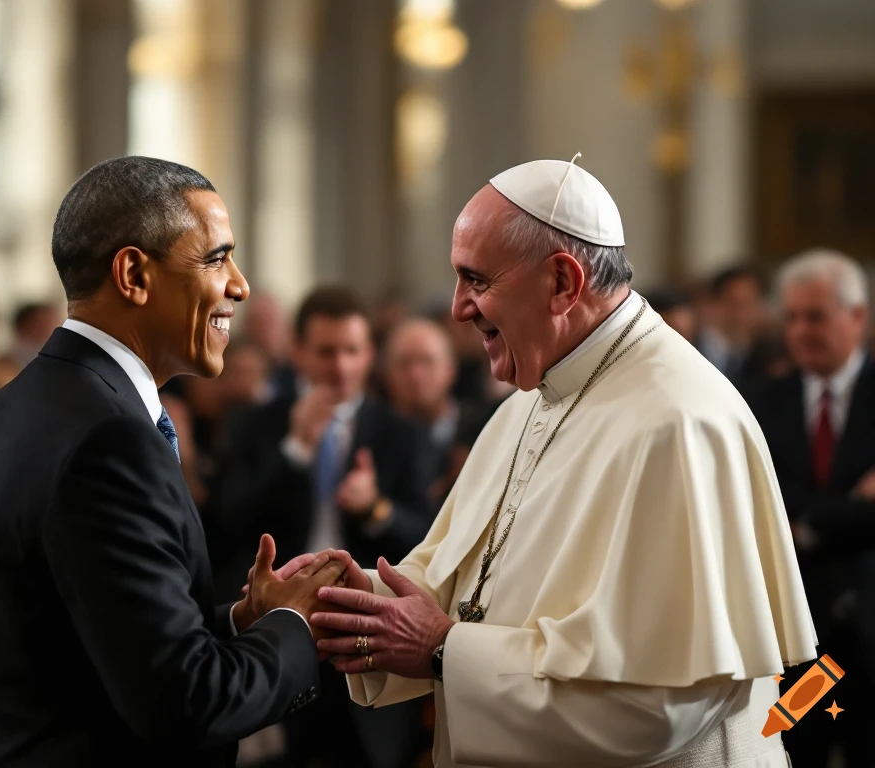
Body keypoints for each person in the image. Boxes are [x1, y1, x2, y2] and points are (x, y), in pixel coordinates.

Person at [311, 156, 817, 767]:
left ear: (561, 283)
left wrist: (446, 653)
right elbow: (463, 586)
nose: (457, 308)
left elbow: (659, 704)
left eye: (477, 280)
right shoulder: (531, 399)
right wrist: (341, 601)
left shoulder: (678, 422)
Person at [0, 156, 346, 768]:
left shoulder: (6, 409)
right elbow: (187, 702)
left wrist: (243, 620)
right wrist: (292, 624)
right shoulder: (110, 442)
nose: (240, 284)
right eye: (216, 258)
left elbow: (85, 640)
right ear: (133, 274)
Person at [215, 286, 433, 768]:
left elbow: (427, 539)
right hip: (279, 627)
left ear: (369, 354)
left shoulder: (401, 433)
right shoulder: (256, 424)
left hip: (366, 628)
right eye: (326, 351)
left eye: (352, 351)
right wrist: (294, 450)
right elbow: (230, 520)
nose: (340, 367)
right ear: (297, 352)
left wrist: (375, 507)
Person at [749, 249, 875, 768]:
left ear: (857, 317)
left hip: (872, 634)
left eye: (816, 316)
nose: (800, 331)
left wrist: (807, 524)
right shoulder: (760, 403)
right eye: (792, 318)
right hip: (801, 647)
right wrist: (853, 509)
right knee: (793, 755)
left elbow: (794, 509)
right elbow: (766, 503)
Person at [383, 318, 466, 508]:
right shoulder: (371, 436)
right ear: (386, 372)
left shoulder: (481, 431)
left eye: (427, 362)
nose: (415, 375)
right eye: (404, 363)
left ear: (450, 368)